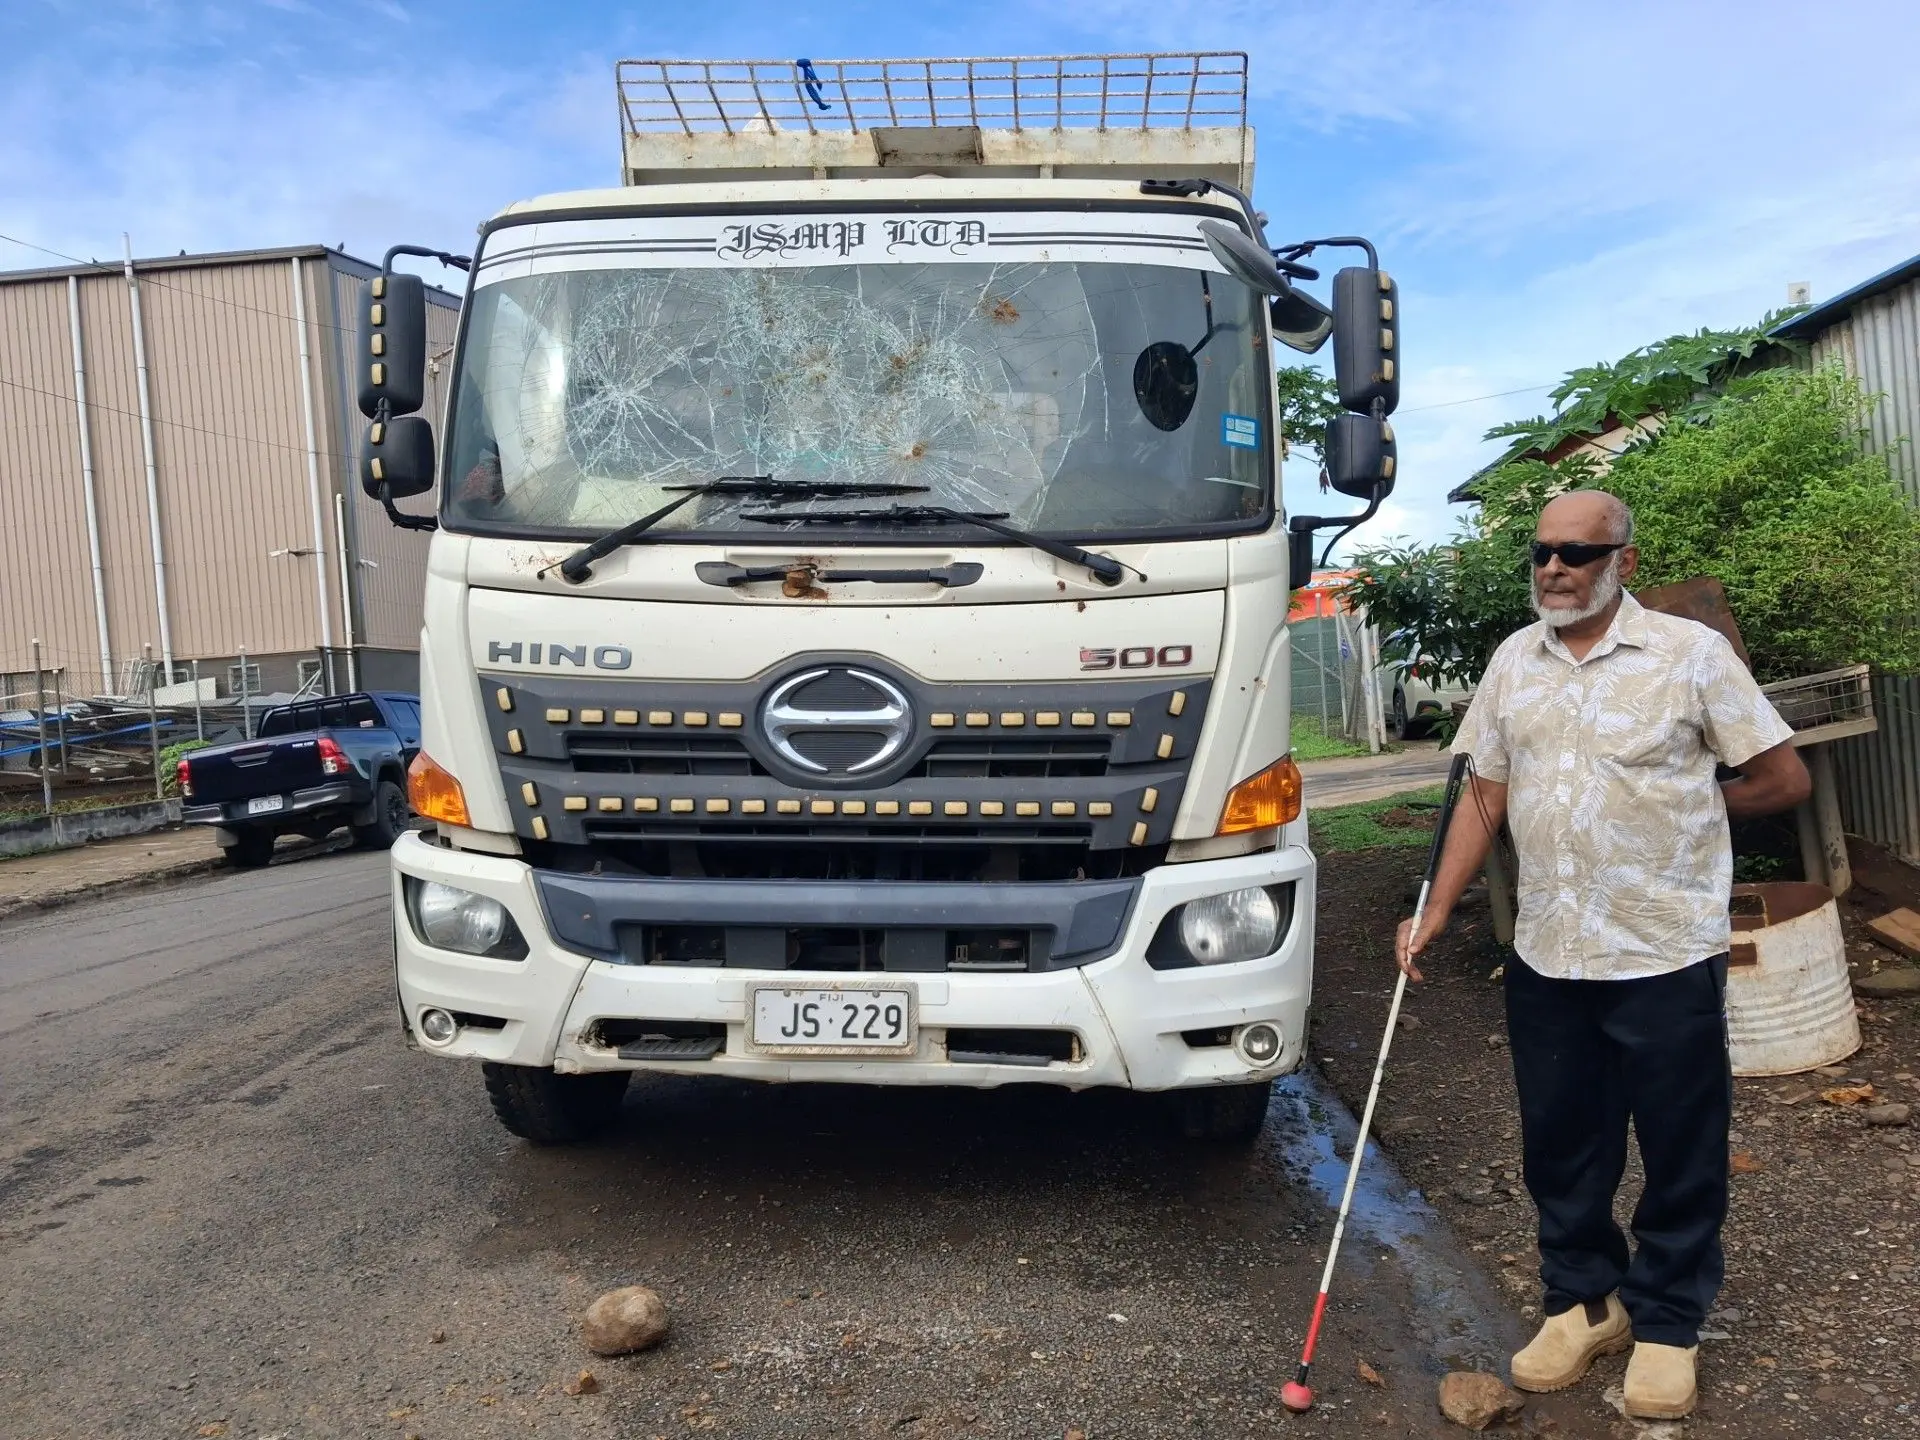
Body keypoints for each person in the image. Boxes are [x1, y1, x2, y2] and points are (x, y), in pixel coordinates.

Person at [1395, 490, 1810, 1421]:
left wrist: (1696, 807)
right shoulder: (1514, 663)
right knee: (1562, 1142)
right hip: (1550, 948)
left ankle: (1667, 1320)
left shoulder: (1689, 656)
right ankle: (1585, 1301)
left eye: (1576, 554)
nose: (1554, 569)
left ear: (1621, 558)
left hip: (1662, 945)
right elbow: (1482, 797)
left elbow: (1782, 775)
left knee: (1680, 1145)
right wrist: (1433, 909)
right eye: (1542, 552)